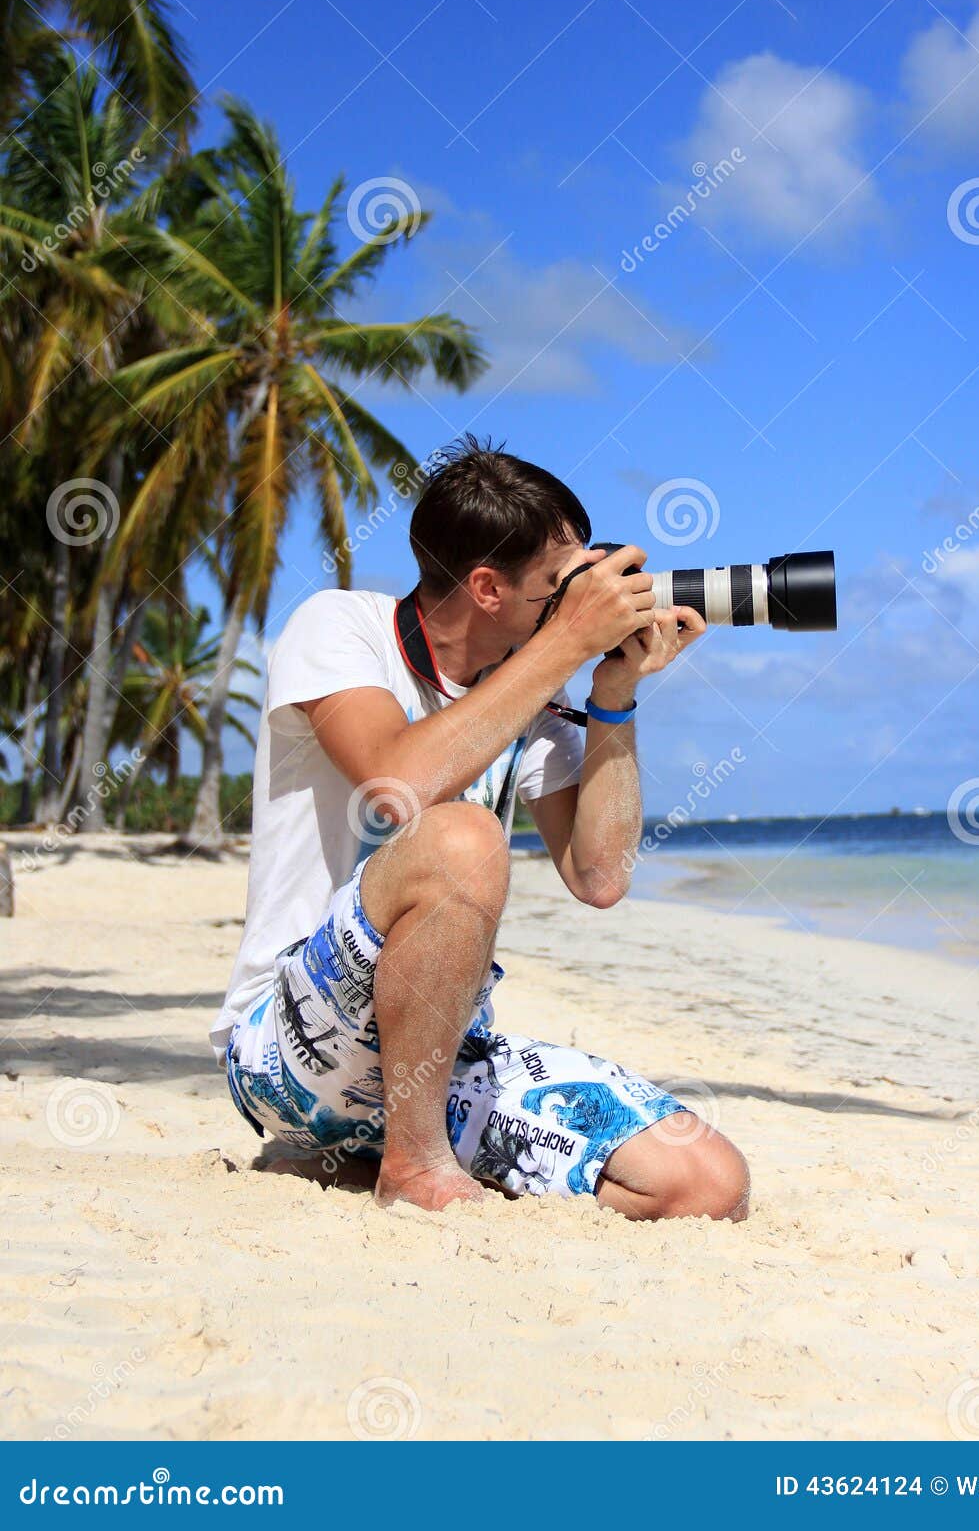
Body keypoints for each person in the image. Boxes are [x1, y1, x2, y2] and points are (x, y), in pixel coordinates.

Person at [210, 438, 749, 1221]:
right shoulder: (339, 625)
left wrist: (613, 693)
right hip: (285, 1047)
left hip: (437, 1059)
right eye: (563, 583)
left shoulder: (528, 689)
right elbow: (398, 789)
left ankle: (379, 1145)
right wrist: (566, 642)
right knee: (462, 836)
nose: (585, 599)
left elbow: (600, 877)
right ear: (488, 587)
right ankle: (413, 1164)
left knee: (703, 1181)